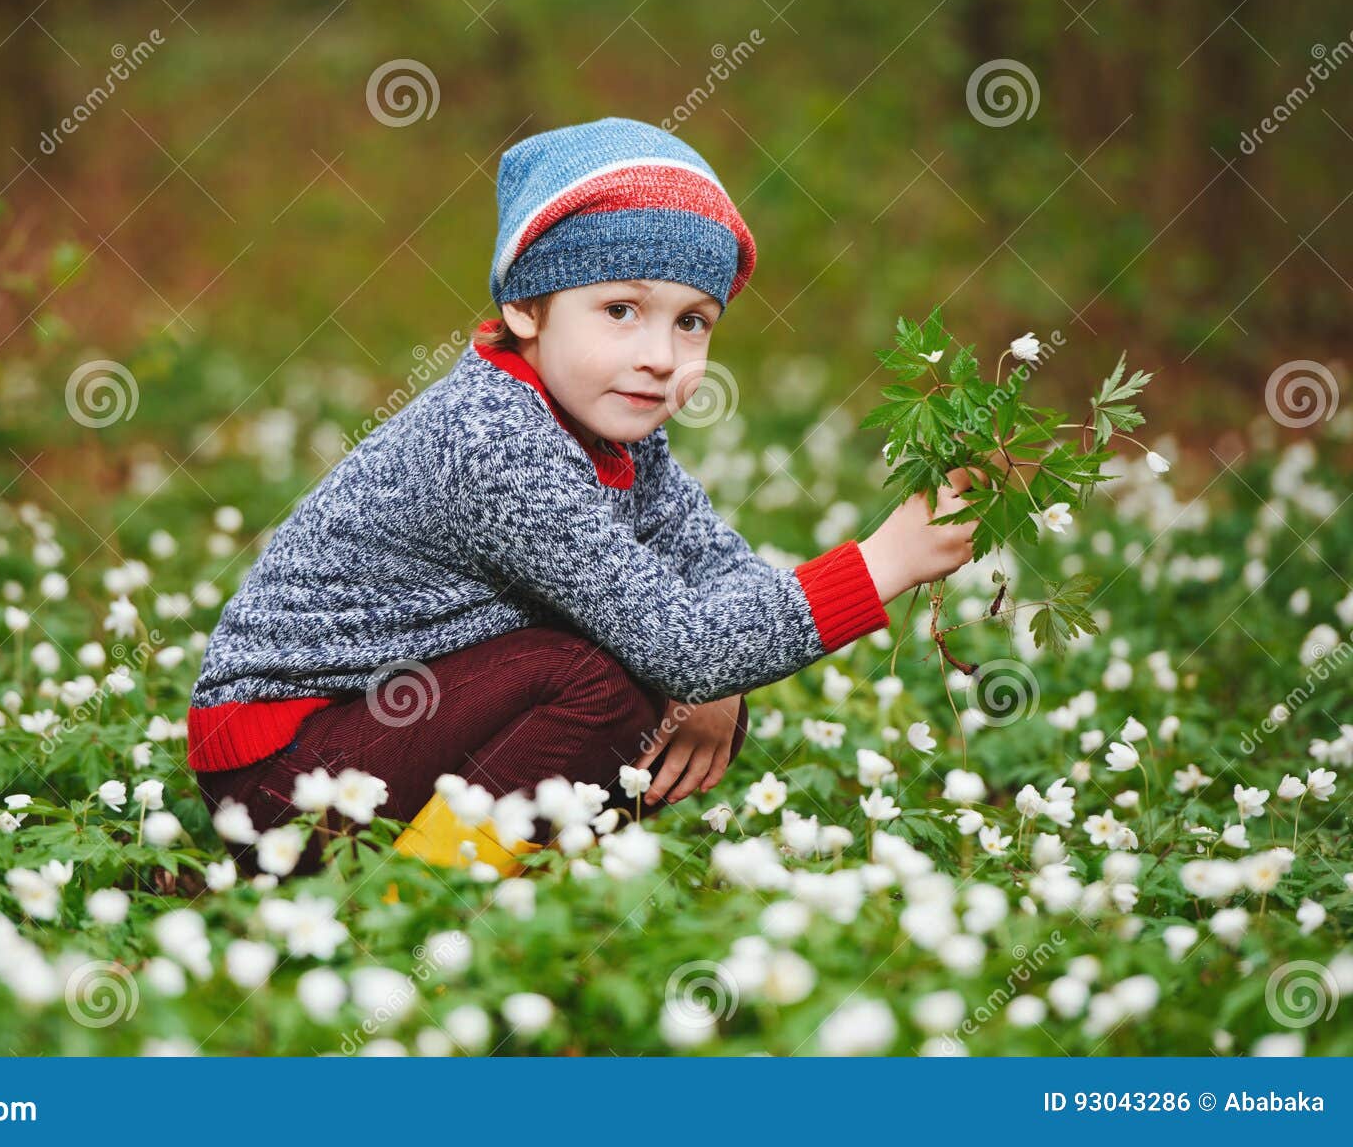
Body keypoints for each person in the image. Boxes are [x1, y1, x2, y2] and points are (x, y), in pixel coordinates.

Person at [185, 116, 979, 879]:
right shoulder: (493, 439)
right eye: (620, 310)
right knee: (603, 681)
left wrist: (719, 683)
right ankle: (417, 896)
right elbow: (687, 643)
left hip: (386, 726)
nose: (661, 357)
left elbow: (718, 571)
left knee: (689, 693)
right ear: (525, 308)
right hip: (284, 773)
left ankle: (489, 873)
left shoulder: (621, 436)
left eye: (693, 322)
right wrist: (885, 562)